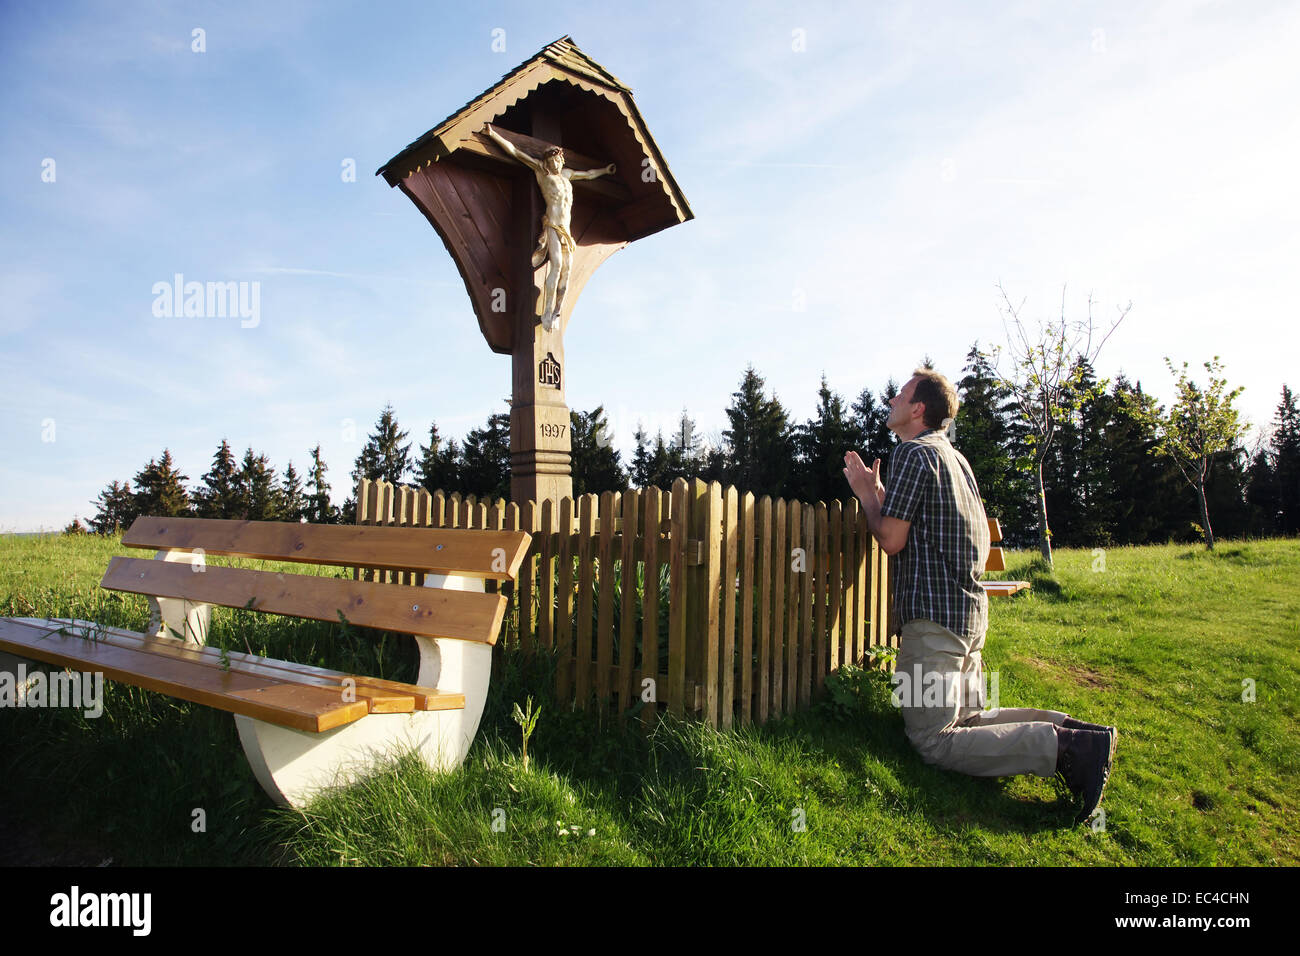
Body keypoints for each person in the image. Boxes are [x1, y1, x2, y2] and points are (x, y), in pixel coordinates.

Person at [842, 367, 1116, 823]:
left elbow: (892, 538)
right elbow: (925, 523)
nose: (892, 398)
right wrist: (881, 492)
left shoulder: (912, 453)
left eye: (901, 394)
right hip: (968, 614)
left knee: (933, 740)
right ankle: (1075, 732)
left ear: (918, 409)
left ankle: (1066, 748)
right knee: (966, 720)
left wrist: (868, 496)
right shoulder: (953, 458)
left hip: (933, 621)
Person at [484, 123, 617, 332]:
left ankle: (556, 311)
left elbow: (590, 174)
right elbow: (515, 152)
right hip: (553, 226)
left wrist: (605, 170)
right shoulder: (542, 173)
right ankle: (546, 311)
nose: (555, 163)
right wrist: (493, 135)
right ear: (546, 162)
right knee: (556, 266)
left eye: (557, 159)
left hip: (567, 230)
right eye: (551, 160)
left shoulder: (568, 175)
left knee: (568, 270)